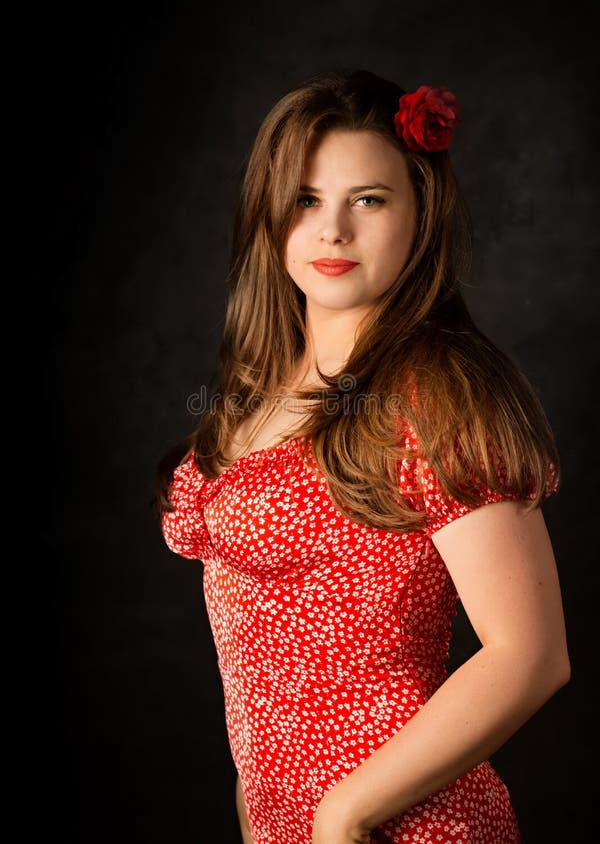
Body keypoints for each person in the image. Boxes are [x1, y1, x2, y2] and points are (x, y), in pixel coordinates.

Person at [155, 69, 571, 844]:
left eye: (368, 199)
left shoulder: (440, 394)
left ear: (421, 211)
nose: (332, 230)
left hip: (402, 827)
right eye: (306, 200)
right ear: (269, 214)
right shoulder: (257, 386)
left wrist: (344, 813)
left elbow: (531, 653)